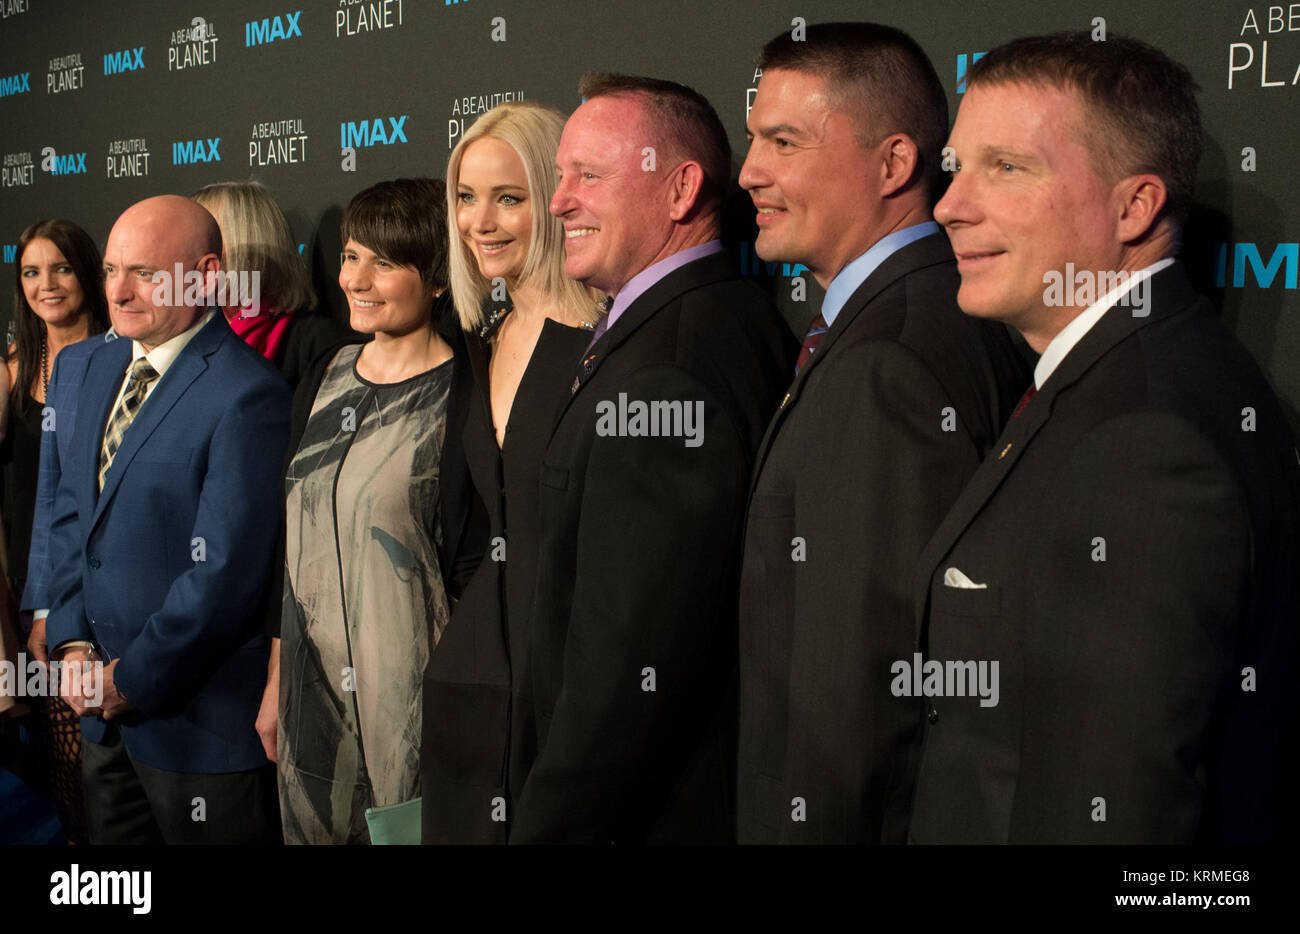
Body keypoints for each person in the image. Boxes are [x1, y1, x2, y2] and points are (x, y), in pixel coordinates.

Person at [907, 32, 1300, 843]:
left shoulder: (1147, 444)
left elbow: (1120, 810)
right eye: (957, 167)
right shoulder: (1126, 376)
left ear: (1134, 207)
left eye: (1006, 167)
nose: (948, 204)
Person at [735, 22, 1028, 844]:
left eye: (782, 141)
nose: (750, 171)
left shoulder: (888, 359)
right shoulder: (915, 312)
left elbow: (860, 692)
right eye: (754, 139)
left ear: (895, 163)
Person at [508, 74, 792, 843]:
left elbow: (628, 668)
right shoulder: (706, 318)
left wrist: (543, 829)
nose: (558, 201)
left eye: (587, 177)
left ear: (679, 190)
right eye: (560, 177)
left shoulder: (675, 362)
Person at [45, 195, 289, 844]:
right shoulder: (90, 366)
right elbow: (71, 516)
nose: (118, 292)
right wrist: (70, 643)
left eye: (146, 273)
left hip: (199, 732)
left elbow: (226, 575)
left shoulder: (247, 392)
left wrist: (132, 678)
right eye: (110, 269)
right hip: (100, 719)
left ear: (208, 275)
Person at [271, 178, 482, 844]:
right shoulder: (325, 372)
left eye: (385, 262)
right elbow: (294, 539)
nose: (357, 279)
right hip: (310, 704)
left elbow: (476, 571)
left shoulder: (469, 392)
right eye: (351, 255)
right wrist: (276, 675)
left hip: (413, 715)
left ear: (439, 278)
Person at [420, 102, 603, 843]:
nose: (480, 222)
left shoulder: (603, 341)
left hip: (566, 693)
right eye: (466, 197)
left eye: (509, 198)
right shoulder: (483, 337)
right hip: (480, 693)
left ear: (556, 200)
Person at [5, 219, 111, 844]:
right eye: (30, 272)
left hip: (92, 584)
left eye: (61, 268)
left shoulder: (122, 356)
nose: (46, 284)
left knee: (94, 751)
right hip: (28, 587)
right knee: (58, 758)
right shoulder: (16, 371)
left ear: (88, 273)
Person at [193, 181, 350, 388]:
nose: (185, 255)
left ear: (244, 240)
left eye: (198, 239)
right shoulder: (189, 332)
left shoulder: (320, 344)